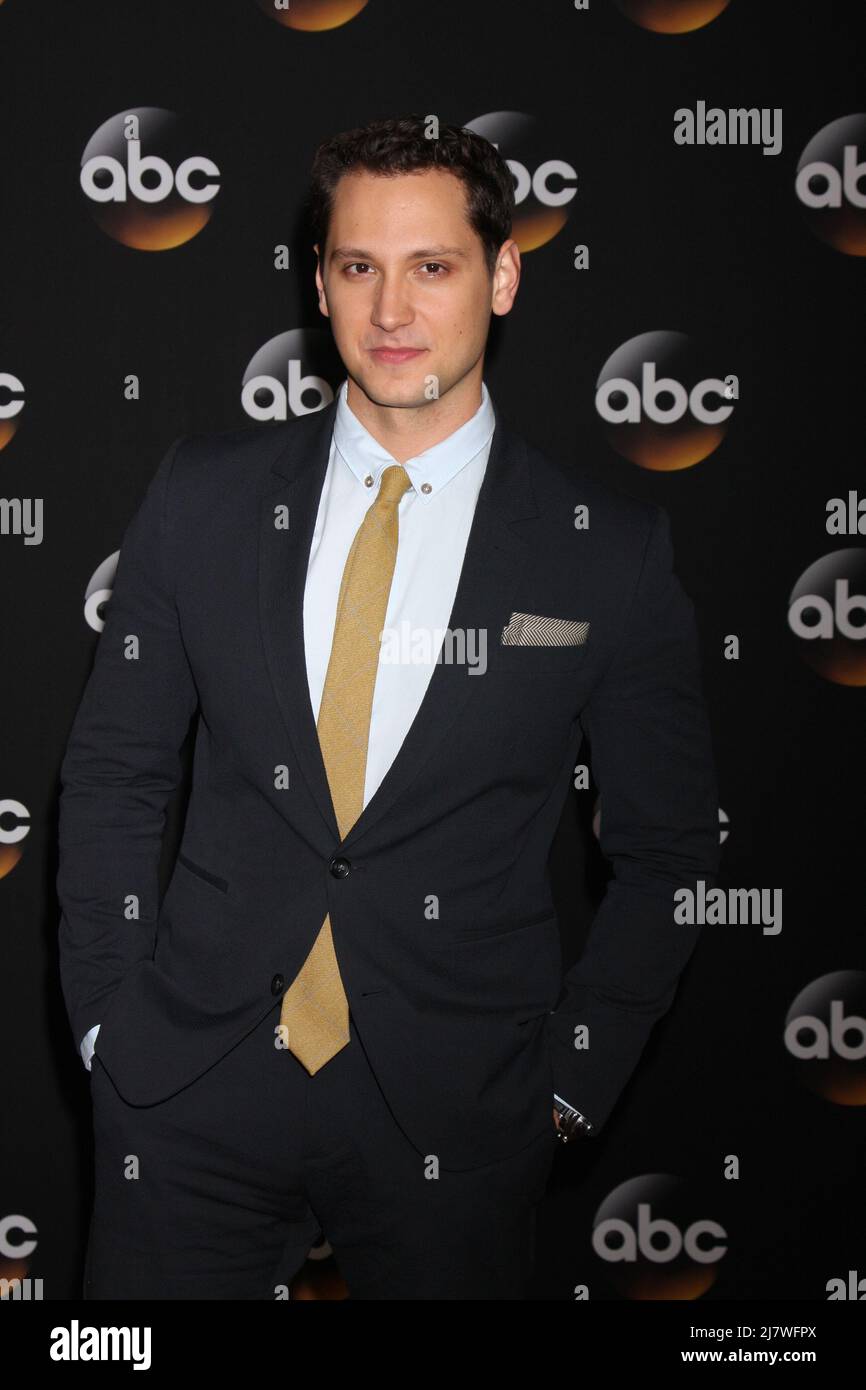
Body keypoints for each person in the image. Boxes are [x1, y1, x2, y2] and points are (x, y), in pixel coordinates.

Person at [57, 114, 720, 1300]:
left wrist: (572, 1080)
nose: (391, 311)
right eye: (358, 266)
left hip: (458, 1108)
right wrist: (110, 1023)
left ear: (501, 277)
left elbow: (668, 849)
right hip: (191, 1087)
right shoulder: (203, 497)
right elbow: (114, 772)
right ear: (318, 283)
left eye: (432, 266)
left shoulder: (603, 553)